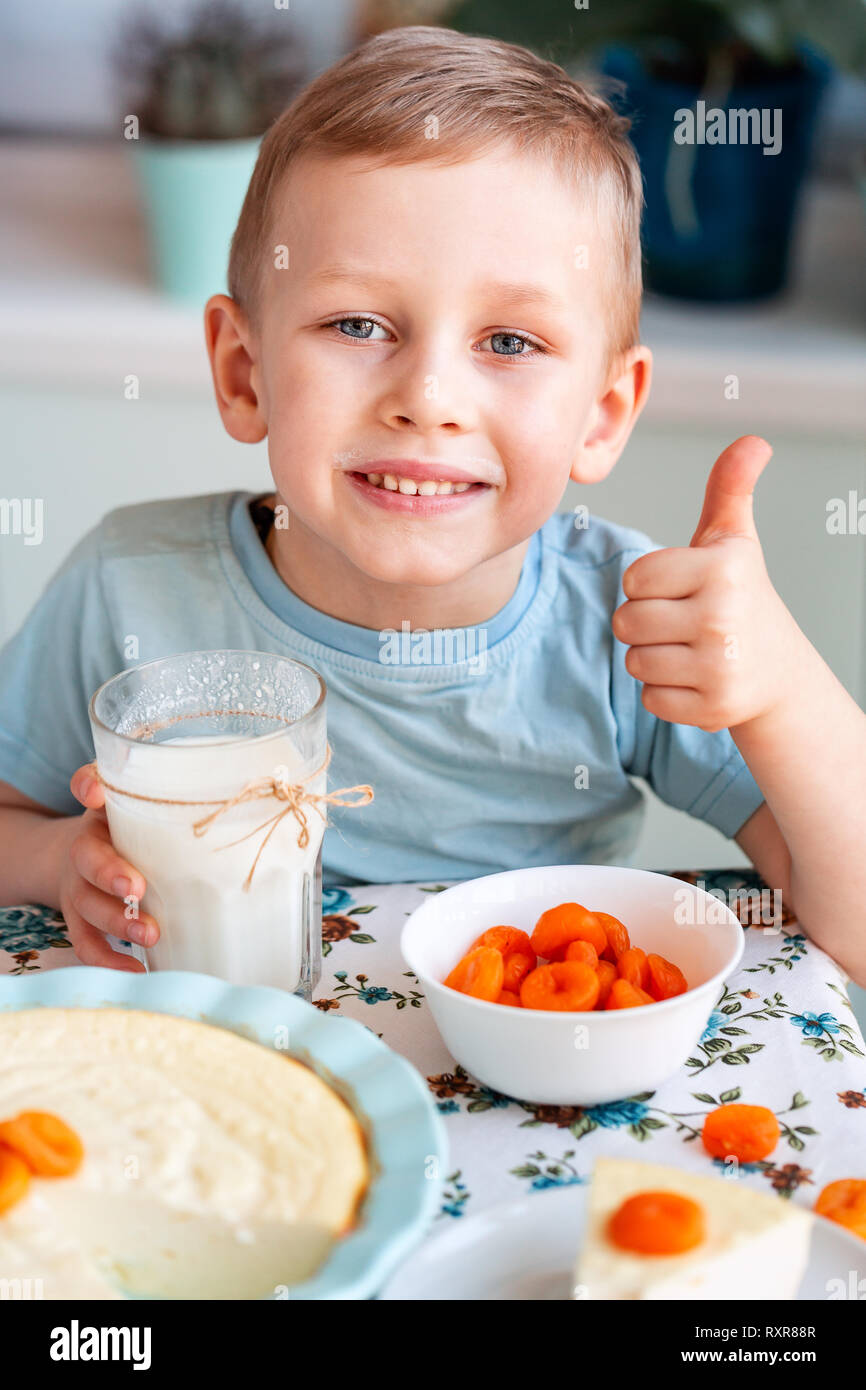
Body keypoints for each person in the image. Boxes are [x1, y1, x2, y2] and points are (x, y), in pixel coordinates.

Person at [0, 27, 863, 980]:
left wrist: (784, 687)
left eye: (510, 343)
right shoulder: (129, 587)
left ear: (603, 414)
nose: (429, 398)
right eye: (359, 324)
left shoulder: (629, 620)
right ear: (245, 373)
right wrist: (52, 859)